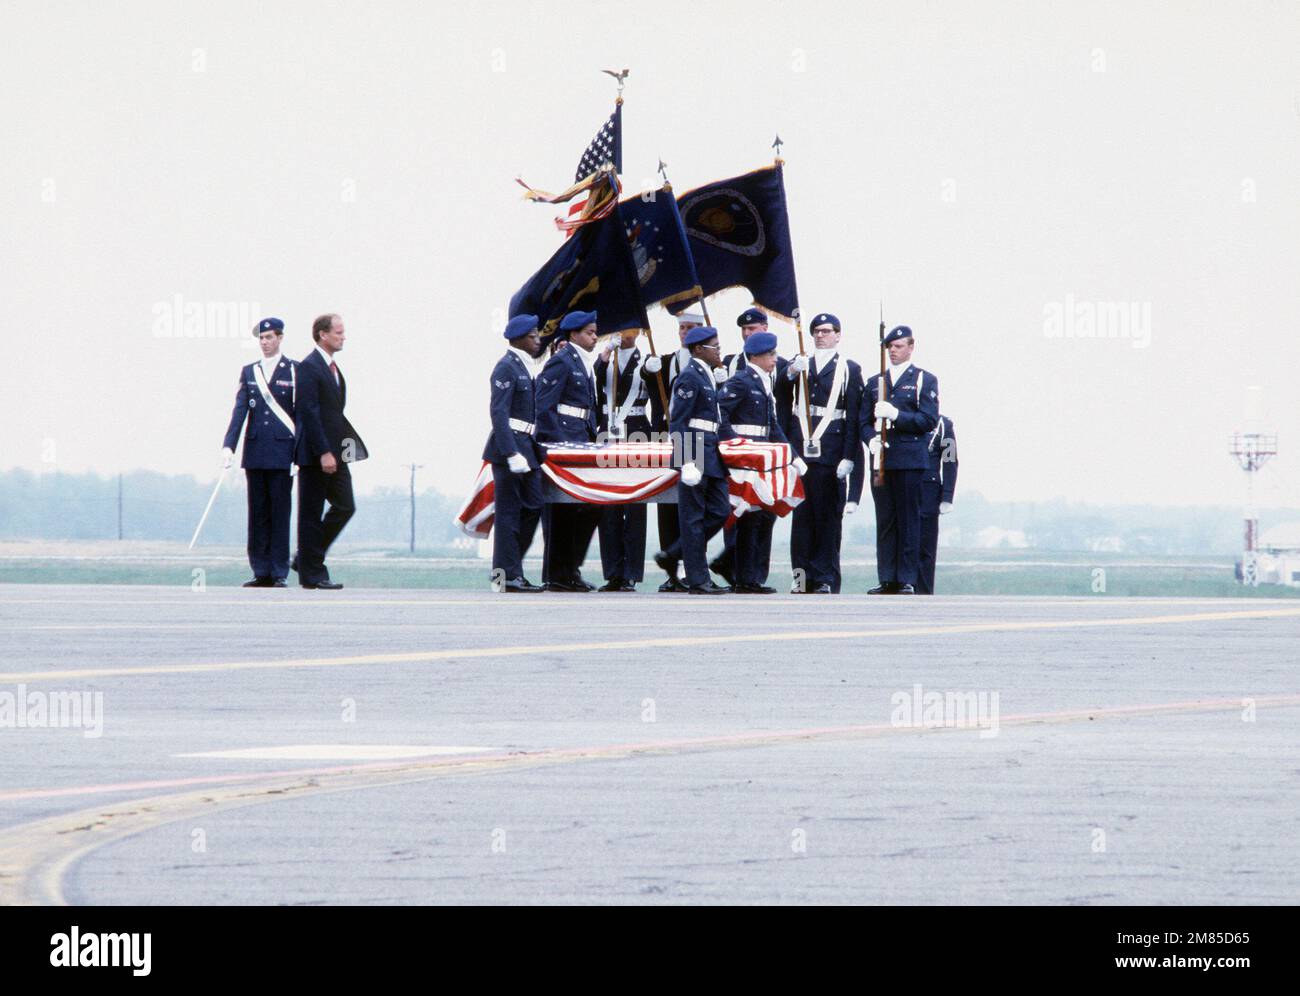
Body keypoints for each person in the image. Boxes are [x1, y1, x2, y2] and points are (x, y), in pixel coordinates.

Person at [717, 331, 803, 593]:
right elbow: (720, 413)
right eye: (770, 355)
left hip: (762, 458)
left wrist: (793, 457)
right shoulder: (742, 381)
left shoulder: (764, 382)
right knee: (749, 517)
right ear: (755, 356)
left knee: (763, 515)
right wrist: (734, 444)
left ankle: (745, 573)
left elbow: (772, 426)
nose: (775, 359)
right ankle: (744, 576)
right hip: (744, 458)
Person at [653, 326, 735, 594]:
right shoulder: (689, 377)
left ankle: (674, 553)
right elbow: (678, 421)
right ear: (699, 349)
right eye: (715, 346)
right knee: (692, 518)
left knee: (720, 510)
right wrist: (686, 460)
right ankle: (698, 579)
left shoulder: (707, 375)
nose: (719, 351)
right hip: (695, 447)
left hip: (710, 447)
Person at [786, 313, 863, 594]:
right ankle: (801, 577)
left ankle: (825, 578)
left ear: (838, 335)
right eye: (816, 331)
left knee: (828, 520)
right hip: (802, 453)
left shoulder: (849, 368)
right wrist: (792, 372)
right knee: (802, 520)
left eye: (827, 331)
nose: (820, 335)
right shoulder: (800, 362)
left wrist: (849, 456)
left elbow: (852, 416)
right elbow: (784, 399)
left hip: (831, 452)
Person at [862, 325, 940, 594]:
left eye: (898, 346)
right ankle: (887, 578)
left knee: (909, 521)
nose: (893, 351)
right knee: (886, 520)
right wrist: (869, 439)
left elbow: (927, 420)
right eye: (890, 347)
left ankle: (906, 578)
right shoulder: (875, 383)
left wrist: (897, 416)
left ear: (910, 347)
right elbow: (863, 421)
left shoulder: (923, 380)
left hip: (909, 458)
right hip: (882, 459)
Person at [293, 313, 368, 590]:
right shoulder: (309, 368)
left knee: (345, 506)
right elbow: (308, 413)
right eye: (338, 332)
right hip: (316, 455)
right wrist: (323, 451)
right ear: (323, 334)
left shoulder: (333, 369)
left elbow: (334, 413)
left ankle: (306, 558)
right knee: (310, 514)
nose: (343, 336)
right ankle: (312, 574)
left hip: (336, 453)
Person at [221, 317, 297, 587]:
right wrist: (229, 445)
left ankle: (279, 571)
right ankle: (260, 570)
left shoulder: (294, 371)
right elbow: (240, 410)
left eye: (269, 338)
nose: (265, 343)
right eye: (261, 339)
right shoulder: (249, 371)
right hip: (255, 452)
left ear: (280, 338)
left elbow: (300, 416)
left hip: (282, 454)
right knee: (257, 514)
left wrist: (298, 455)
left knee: (280, 513)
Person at [535, 310, 604, 592]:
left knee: (586, 506)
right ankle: (558, 574)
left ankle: (568, 570)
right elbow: (543, 405)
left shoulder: (581, 361)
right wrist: (556, 443)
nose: (595, 336)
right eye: (590, 332)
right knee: (563, 510)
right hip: (564, 442)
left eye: (595, 331)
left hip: (581, 439)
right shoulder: (562, 361)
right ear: (574, 334)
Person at [641, 310, 703, 591]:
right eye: (682, 328)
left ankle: (695, 571)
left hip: (696, 439)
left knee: (693, 506)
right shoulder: (664, 362)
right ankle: (672, 573)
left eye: (691, 327)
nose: (686, 332)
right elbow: (645, 380)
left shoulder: (708, 365)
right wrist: (647, 369)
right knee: (667, 506)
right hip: (665, 436)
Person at [484, 314, 546, 593]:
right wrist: (510, 452)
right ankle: (506, 576)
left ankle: (511, 568)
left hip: (526, 446)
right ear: (519, 339)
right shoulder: (506, 367)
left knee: (533, 506)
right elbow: (499, 412)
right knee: (509, 514)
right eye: (533, 336)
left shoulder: (524, 366)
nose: (538, 340)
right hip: (509, 448)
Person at [594, 327, 651, 591]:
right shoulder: (606, 358)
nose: (624, 332)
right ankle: (613, 572)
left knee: (635, 503)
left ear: (639, 331)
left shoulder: (647, 360)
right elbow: (595, 379)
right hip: (608, 429)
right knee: (609, 503)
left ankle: (631, 572)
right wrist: (606, 351)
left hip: (638, 428)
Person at [919, 415, 958, 595]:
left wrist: (947, 496)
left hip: (929, 490)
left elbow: (950, 460)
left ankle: (924, 591)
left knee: (926, 547)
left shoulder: (944, 425)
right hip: (906, 487)